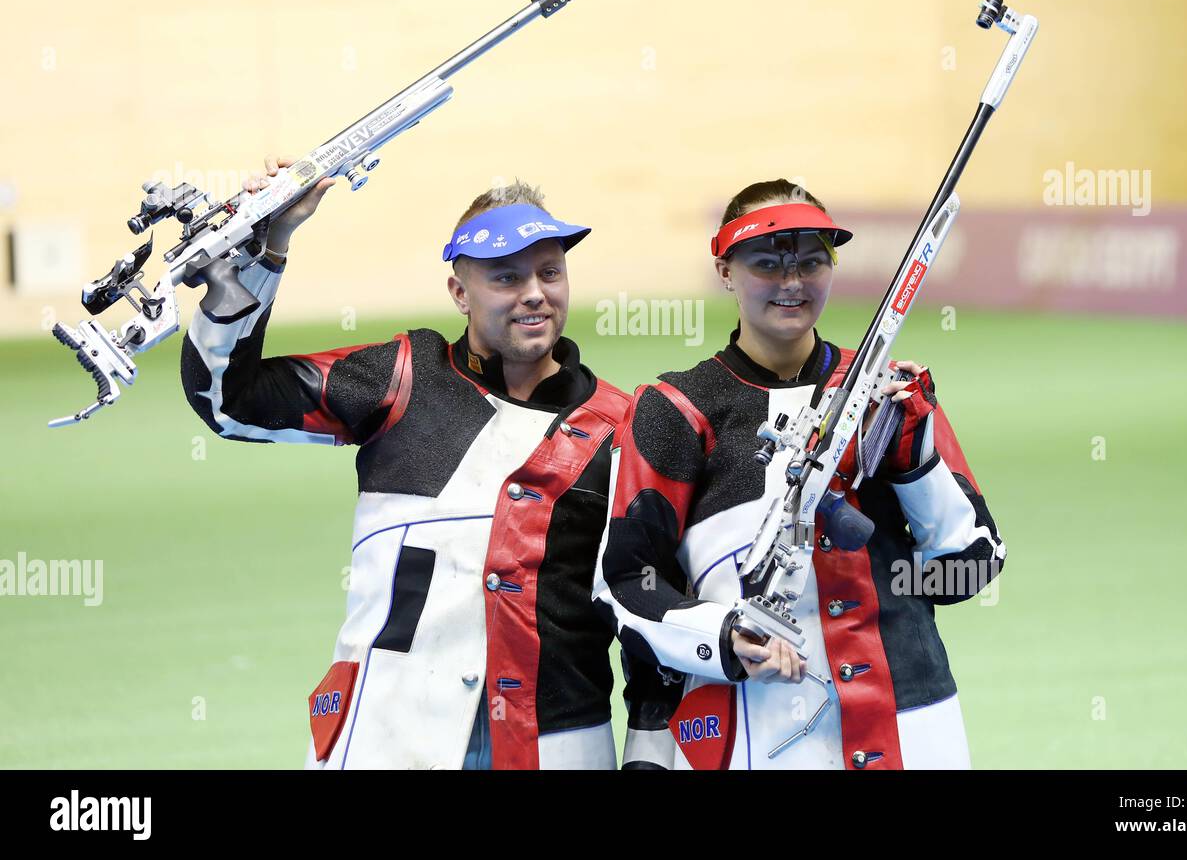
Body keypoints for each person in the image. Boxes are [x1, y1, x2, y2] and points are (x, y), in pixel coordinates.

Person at [181, 156, 678, 769]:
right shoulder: (402, 375)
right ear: (459, 293)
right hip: (385, 735)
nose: (534, 294)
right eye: (505, 276)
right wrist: (266, 251)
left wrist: (651, 758)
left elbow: (649, 611)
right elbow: (229, 399)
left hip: (557, 744)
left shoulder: (622, 427)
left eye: (550, 272)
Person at [595, 178, 1005, 769]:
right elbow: (625, 583)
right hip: (750, 729)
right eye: (767, 263)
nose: (792, 283)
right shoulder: (675, 408)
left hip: (911, 720)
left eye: (812, 261)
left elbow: (971, 569)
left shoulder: (888, 395)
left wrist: (916, 466)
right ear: (725, 270)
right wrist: (725, 633)